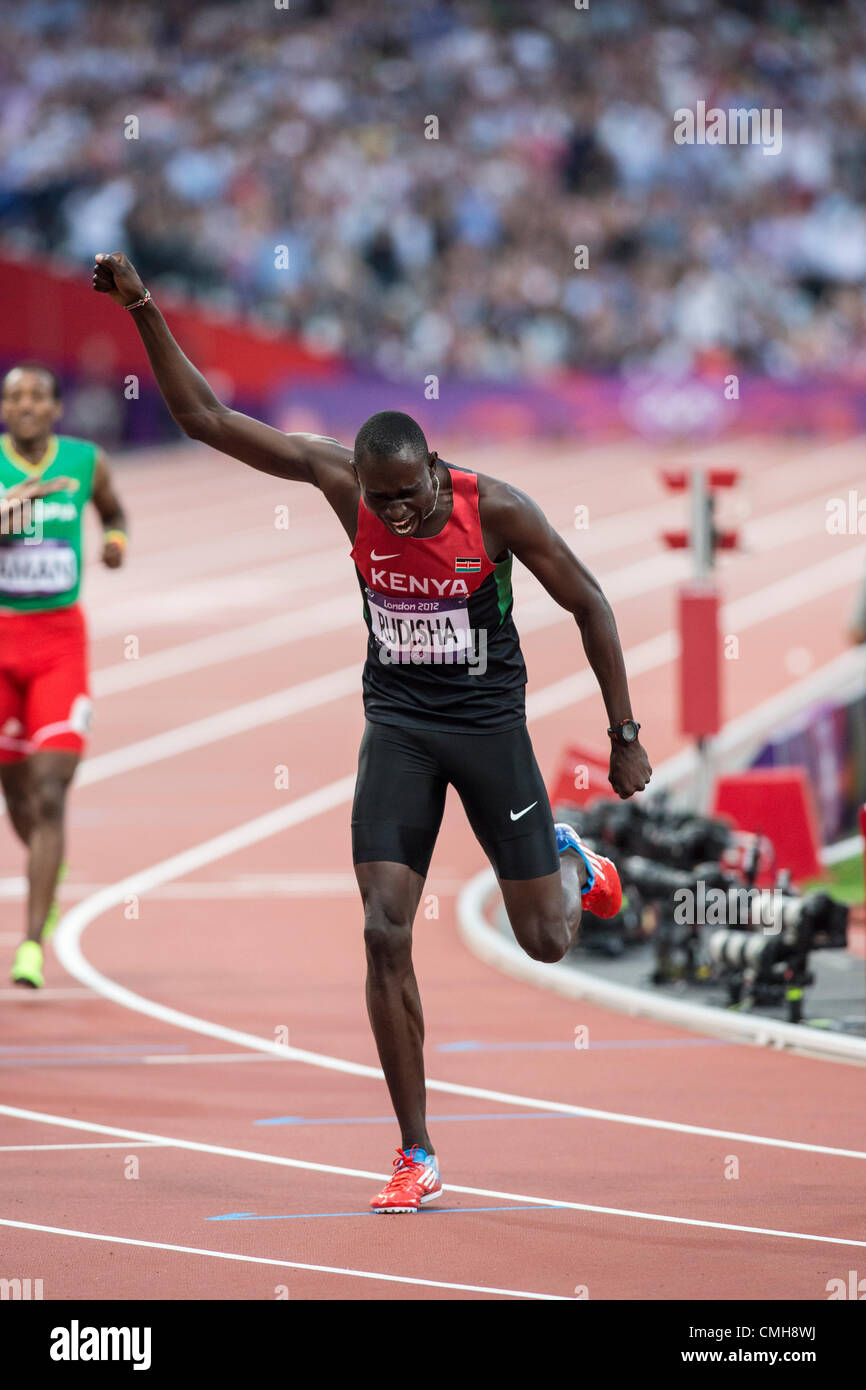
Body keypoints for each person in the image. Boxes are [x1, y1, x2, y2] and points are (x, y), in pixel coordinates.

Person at [93, 252, 652, 1212]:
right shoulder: (340, 485)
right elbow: (208, 421)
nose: (394, 513)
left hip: (486, 729)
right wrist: (143, 306)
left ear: (436, 469)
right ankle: (416, 1150)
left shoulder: (496, 508)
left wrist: (624, 732)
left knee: (551, 942)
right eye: (379, 499)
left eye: (407, 496)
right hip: (396, 726)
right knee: (382, 930)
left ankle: (568, 856)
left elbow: (591, 602)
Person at [1, 363, 128, 989]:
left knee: (50, 790)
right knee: (15, 790)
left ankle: (29, 945)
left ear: (55, 408)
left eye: (37, 396)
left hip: (57, 643)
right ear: (5, 408)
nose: (26, 405)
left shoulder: (85, 462)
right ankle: (46, 874)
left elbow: (115, 513)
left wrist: (116, 545)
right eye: (15, 396)